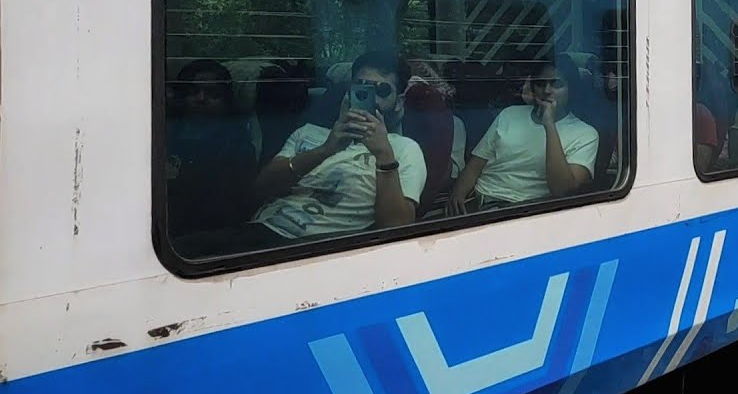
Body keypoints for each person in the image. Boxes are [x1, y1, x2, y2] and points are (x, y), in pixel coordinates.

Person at [176, 51, 428, 256]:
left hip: (317, 251)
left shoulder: (404, 149)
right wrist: (326, 149)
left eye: (382, 91)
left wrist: (384, 157)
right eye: (361, 88)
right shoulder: (309, 132)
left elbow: (397, 230)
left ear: (399, 102)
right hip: (256, 233)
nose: (370, 99)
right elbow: (260, 190)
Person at [447, 54, 599, 213]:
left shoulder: (585, 134)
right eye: (540, 84)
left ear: (571, 89)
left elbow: (562, 191)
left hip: (525, 211)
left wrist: (549, 125)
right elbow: (476, 164)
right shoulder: (509, 114)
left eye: (556, 84)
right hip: (479, 200)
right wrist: (458, 195)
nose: (547, 91)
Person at [165, 59, 257, 238]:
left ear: (225, 98)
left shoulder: (235, 141)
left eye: (212, 93)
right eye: (193, 92)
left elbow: (236, 202)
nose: (201, 99)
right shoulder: (165, 131)